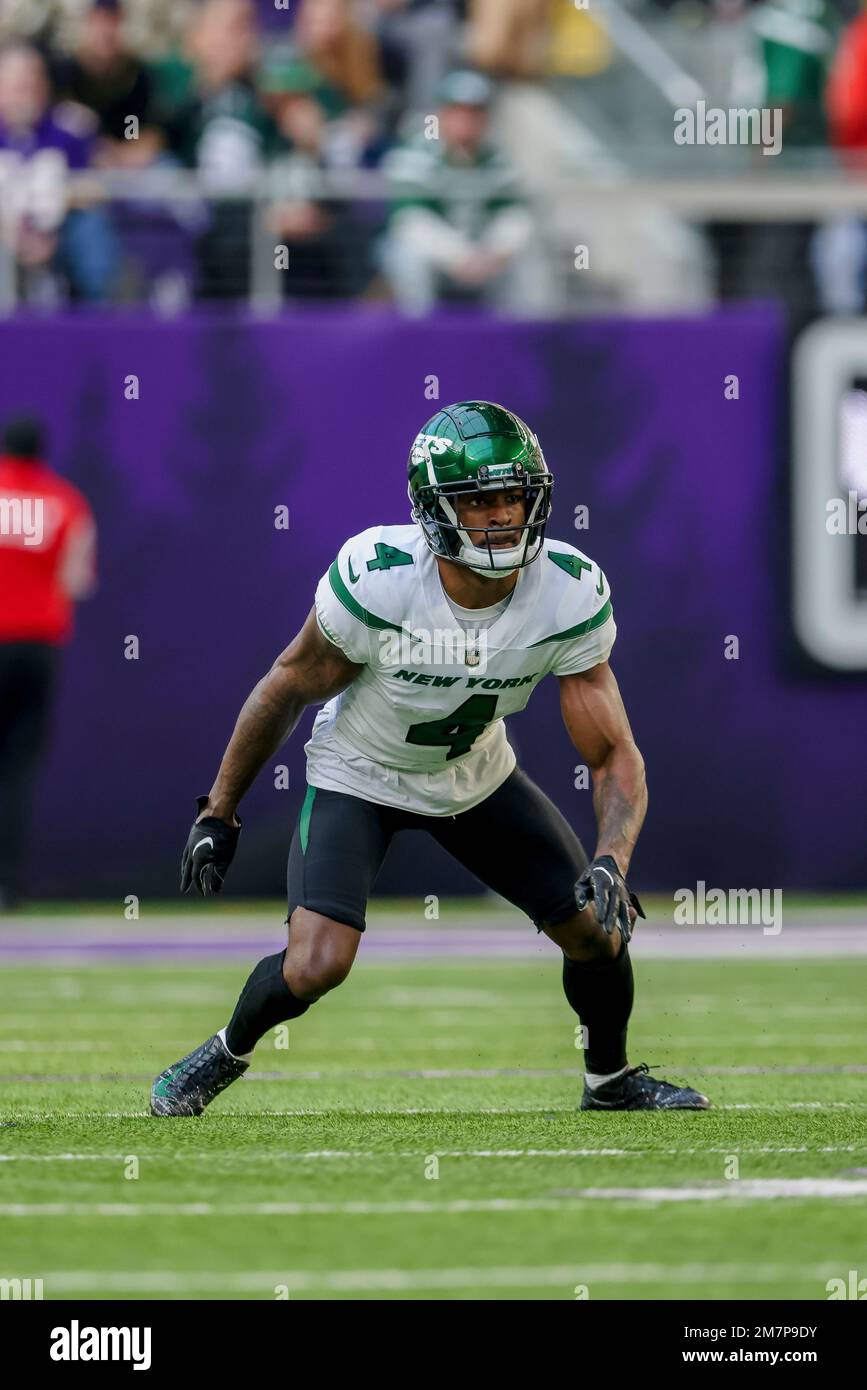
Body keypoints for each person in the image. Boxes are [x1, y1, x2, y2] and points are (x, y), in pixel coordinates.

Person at [151, 400, 710, 1115]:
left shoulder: (566, 592)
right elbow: (285, 687)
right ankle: (220, 1053)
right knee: (317, 964)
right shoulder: (380, 579)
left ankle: (607, 1080)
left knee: (598, 932)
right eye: (479, 501)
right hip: (360, 773)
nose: (502, 515)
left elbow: (610, 753)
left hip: (474, 778)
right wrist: (219, 810)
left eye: (513, 495)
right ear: (435, 509)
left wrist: (612, 859)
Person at [0, 414, 97, 909]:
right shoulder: (65, 502)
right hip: (37, 646)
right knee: (16, 768)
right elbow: (77, 580)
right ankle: (8, 886)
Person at [382, 69, 552, 315]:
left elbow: (516, 215)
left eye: (475, 113)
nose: (466, 121)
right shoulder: (416, 155)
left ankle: (523, 334)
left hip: (484, 256)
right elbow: (410, 220)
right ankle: (419, 333)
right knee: (407, 255)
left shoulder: (497, 160)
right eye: (459, 112)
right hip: (440, 258)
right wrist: (458, 255)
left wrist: (497, 250)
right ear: (443, 114)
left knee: (530, 256)